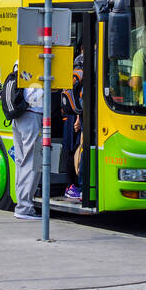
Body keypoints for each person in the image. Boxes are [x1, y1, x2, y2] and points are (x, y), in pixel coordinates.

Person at [11, 76, 44, 219]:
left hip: (18, 115)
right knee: (32, 162)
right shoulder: (39, 63)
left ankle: (21, 204)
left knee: (21, 162)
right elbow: (36, 95)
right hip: (32, 115)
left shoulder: (20, 60)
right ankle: (24, 208)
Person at [61, 59, 88, 201]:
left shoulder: (72, 69)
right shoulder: (83, 70)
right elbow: (81, 97)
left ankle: (71, 185)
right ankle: (72, 185)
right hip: (77, 115)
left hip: (70, 114)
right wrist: (78, 117)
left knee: (72, 148)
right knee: (76, 147)